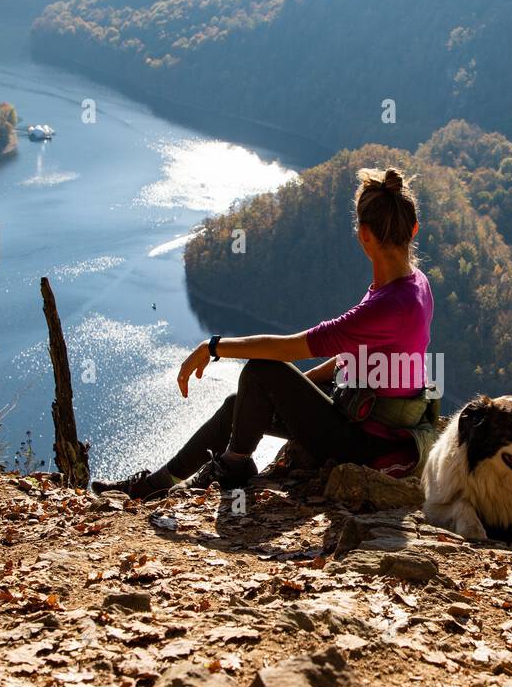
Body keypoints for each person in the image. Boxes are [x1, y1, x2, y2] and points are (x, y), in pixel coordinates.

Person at [92, 167, 438, 500]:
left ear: (363, 233)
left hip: (368, 446)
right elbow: (372, 351)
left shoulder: (387, 305)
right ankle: (155, 485)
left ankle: (233, 466)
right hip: (370, 424)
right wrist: (306, 386)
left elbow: (289, 347)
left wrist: (213, 347)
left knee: (262, 370)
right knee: (237, 406)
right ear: (414, 229)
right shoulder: (414, 285)